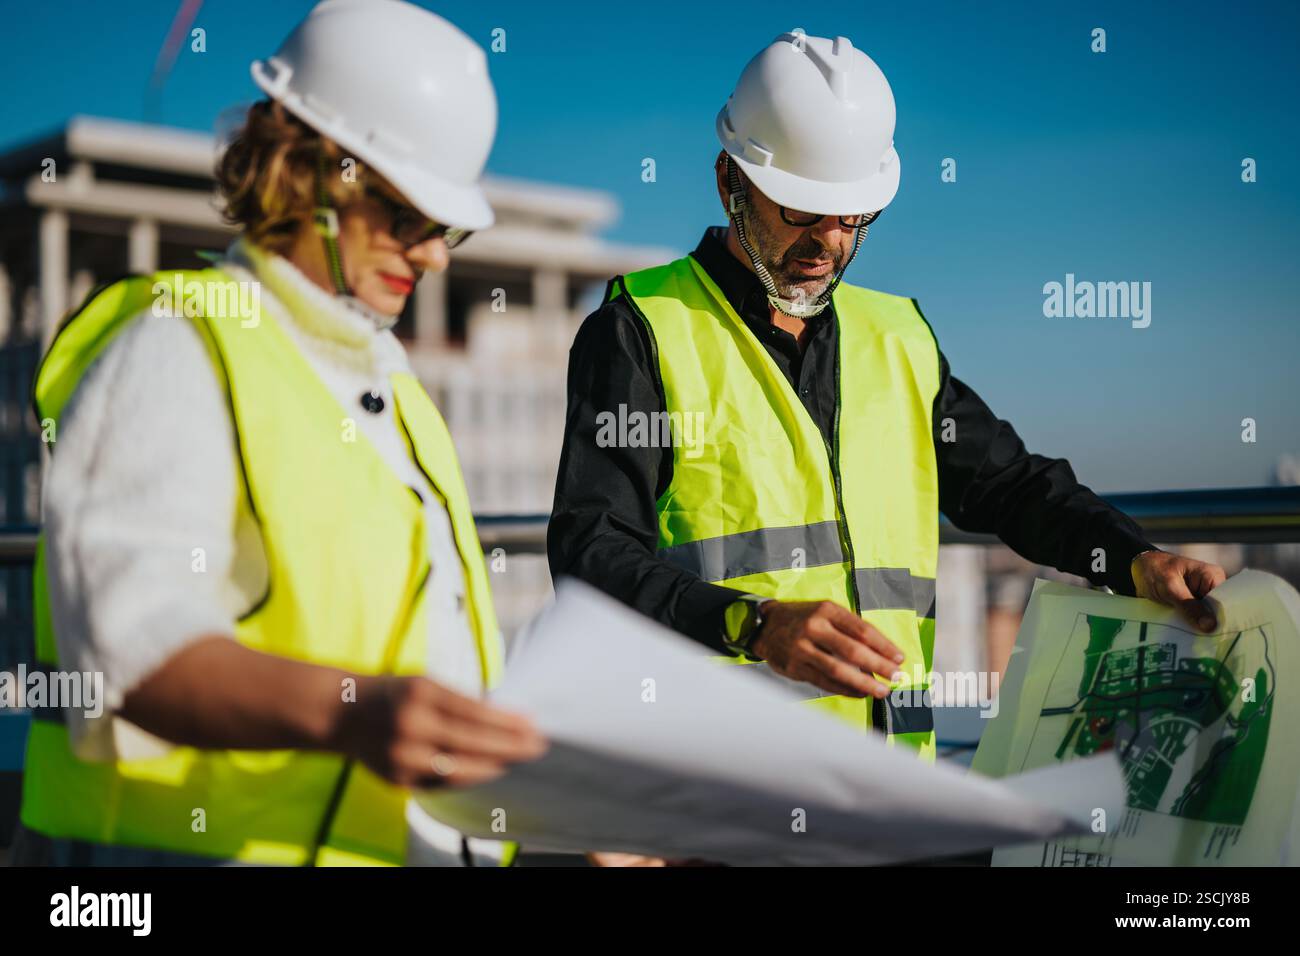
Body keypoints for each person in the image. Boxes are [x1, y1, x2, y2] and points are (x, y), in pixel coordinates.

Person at [549, 32, 1226, 763]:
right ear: (730, 181)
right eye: (802, 212)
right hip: (723, 782)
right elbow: (592, 552)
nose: (827, 243)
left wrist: (1129, 560)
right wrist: (752, 625)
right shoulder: (642, 330)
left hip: (893, 779)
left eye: (851, 219)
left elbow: (1011, 486)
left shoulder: (896, 337)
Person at [14, 0, 544, 867]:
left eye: (442, 227)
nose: (435, 254)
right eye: (409, 216)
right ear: (313, 174)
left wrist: (571, 812)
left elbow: (435, 651)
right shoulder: (180, 348)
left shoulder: (392, 388)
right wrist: (355, 712)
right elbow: (126, 644)